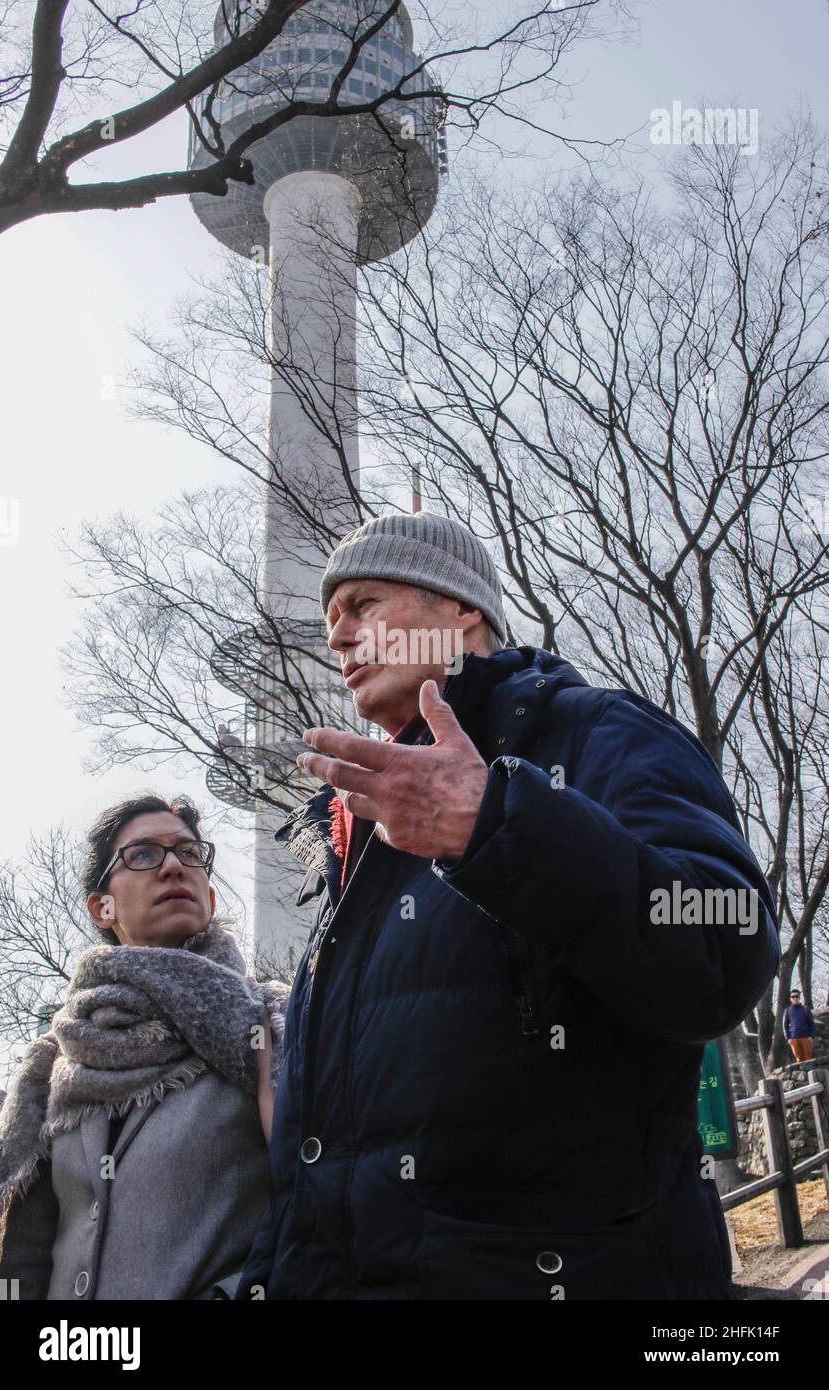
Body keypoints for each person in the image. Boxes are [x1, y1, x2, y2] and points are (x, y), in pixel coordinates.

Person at [237, 510, 780, 1302]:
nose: (338, 636)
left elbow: (722, 941)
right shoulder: (353, 842)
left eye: (363, 603)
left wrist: (496, 827)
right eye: (329, 618)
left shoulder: (597, 734)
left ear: (460, 610)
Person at [0, 794, 289, 1300]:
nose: (173, 865)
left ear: (210, 898)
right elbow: (26, 1259)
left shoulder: (272, 1027)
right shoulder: (58, 1063)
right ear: (100, 908)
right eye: (143, 855)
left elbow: (317, 1205)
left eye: (189, 853)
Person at [783, 989, 815, 1063]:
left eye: (796, 996)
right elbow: (785, 1026)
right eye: (793, 996)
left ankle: (810, 1073)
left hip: (806, 1038)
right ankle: (802, 1074)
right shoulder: (787, 1010)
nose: (795, 998)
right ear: (790, 999)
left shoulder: (805, 1009)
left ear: (799, 998)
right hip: (794, 1039)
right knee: (799, 1059)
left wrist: (811, 1036)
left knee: (808, 1058)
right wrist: (788, 1038)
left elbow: (812, 1024)